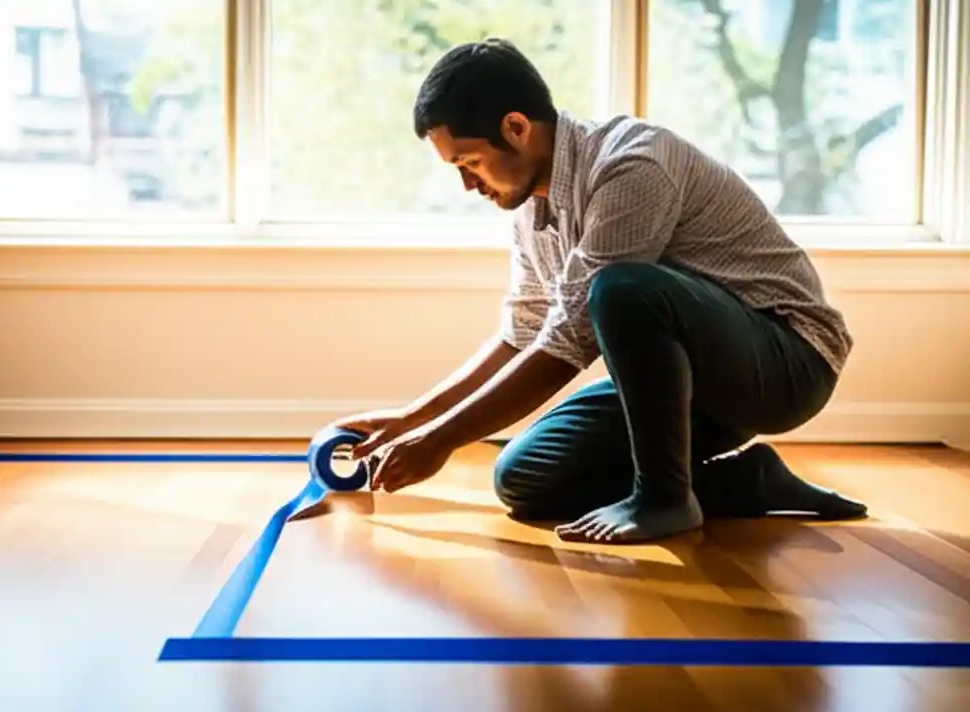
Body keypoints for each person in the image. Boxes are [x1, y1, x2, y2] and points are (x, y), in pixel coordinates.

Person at [334, 38, 867, 544]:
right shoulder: (530, 211)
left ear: (516, 127)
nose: (468, 185)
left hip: (786, 363)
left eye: (470, 163)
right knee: (524, 477)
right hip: (688, 382)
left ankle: (664, 501)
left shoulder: (633, 164)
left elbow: (569, 341)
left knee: (621, 289)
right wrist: (415, 419)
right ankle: (748, 483)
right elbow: (523, 333)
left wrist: (442, 440)